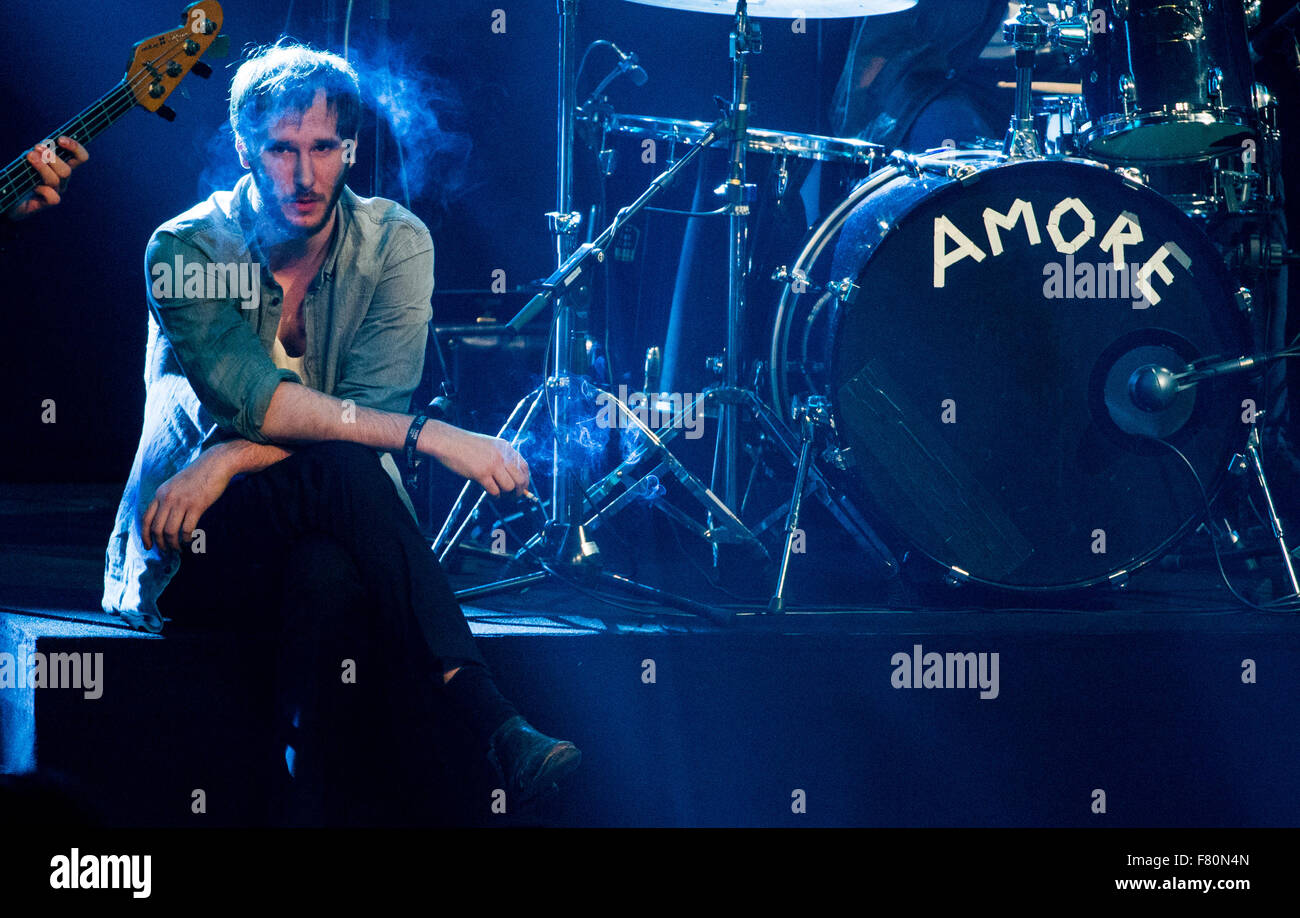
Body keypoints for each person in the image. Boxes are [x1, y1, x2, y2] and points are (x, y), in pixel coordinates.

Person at [102, 42, 579, 821]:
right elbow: (263, 402)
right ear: (247, 151)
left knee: (327, 573)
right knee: (352, 468)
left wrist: (224, 457)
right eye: (282, 150)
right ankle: (489, 714)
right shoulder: (184, 250)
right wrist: (431, 434)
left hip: (333, 535)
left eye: (325, 148)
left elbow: (359, 409)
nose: (306, 174)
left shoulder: (397, 242)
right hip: (199, 541)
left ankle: (305, 807)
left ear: (350, 148)